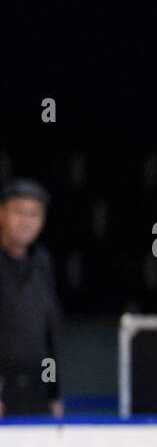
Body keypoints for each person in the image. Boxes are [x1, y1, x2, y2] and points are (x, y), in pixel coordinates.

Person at [0, 179, 62, 418]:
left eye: (34, 214)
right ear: (2, 213)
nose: (26, 221)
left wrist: (54, 393)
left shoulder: (41, 262)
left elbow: (49, 332)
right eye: (19, 212)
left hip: (38, 392)